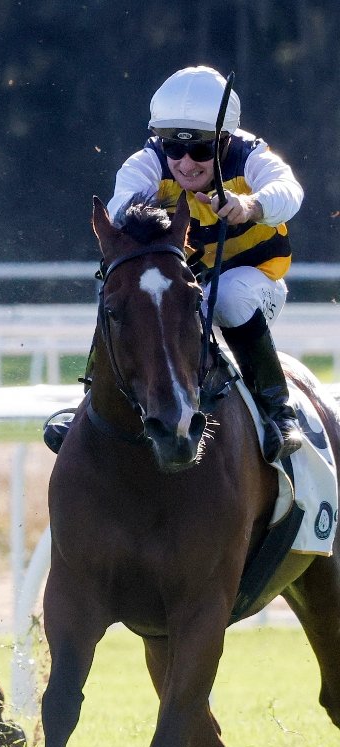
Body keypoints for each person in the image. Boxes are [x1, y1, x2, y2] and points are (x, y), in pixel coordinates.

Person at [106, 64, 302, 458]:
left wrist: (251, 205)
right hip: (189, 284)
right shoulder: (146, 164)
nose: (185, 163)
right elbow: (119, 206)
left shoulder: (251, 158)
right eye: (174, 148)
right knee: (119, 291)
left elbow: (289, 191)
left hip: (254, 280)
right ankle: (93, 397)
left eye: (200, 148)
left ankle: (278, 407)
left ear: (225, 140)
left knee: (226, 298)